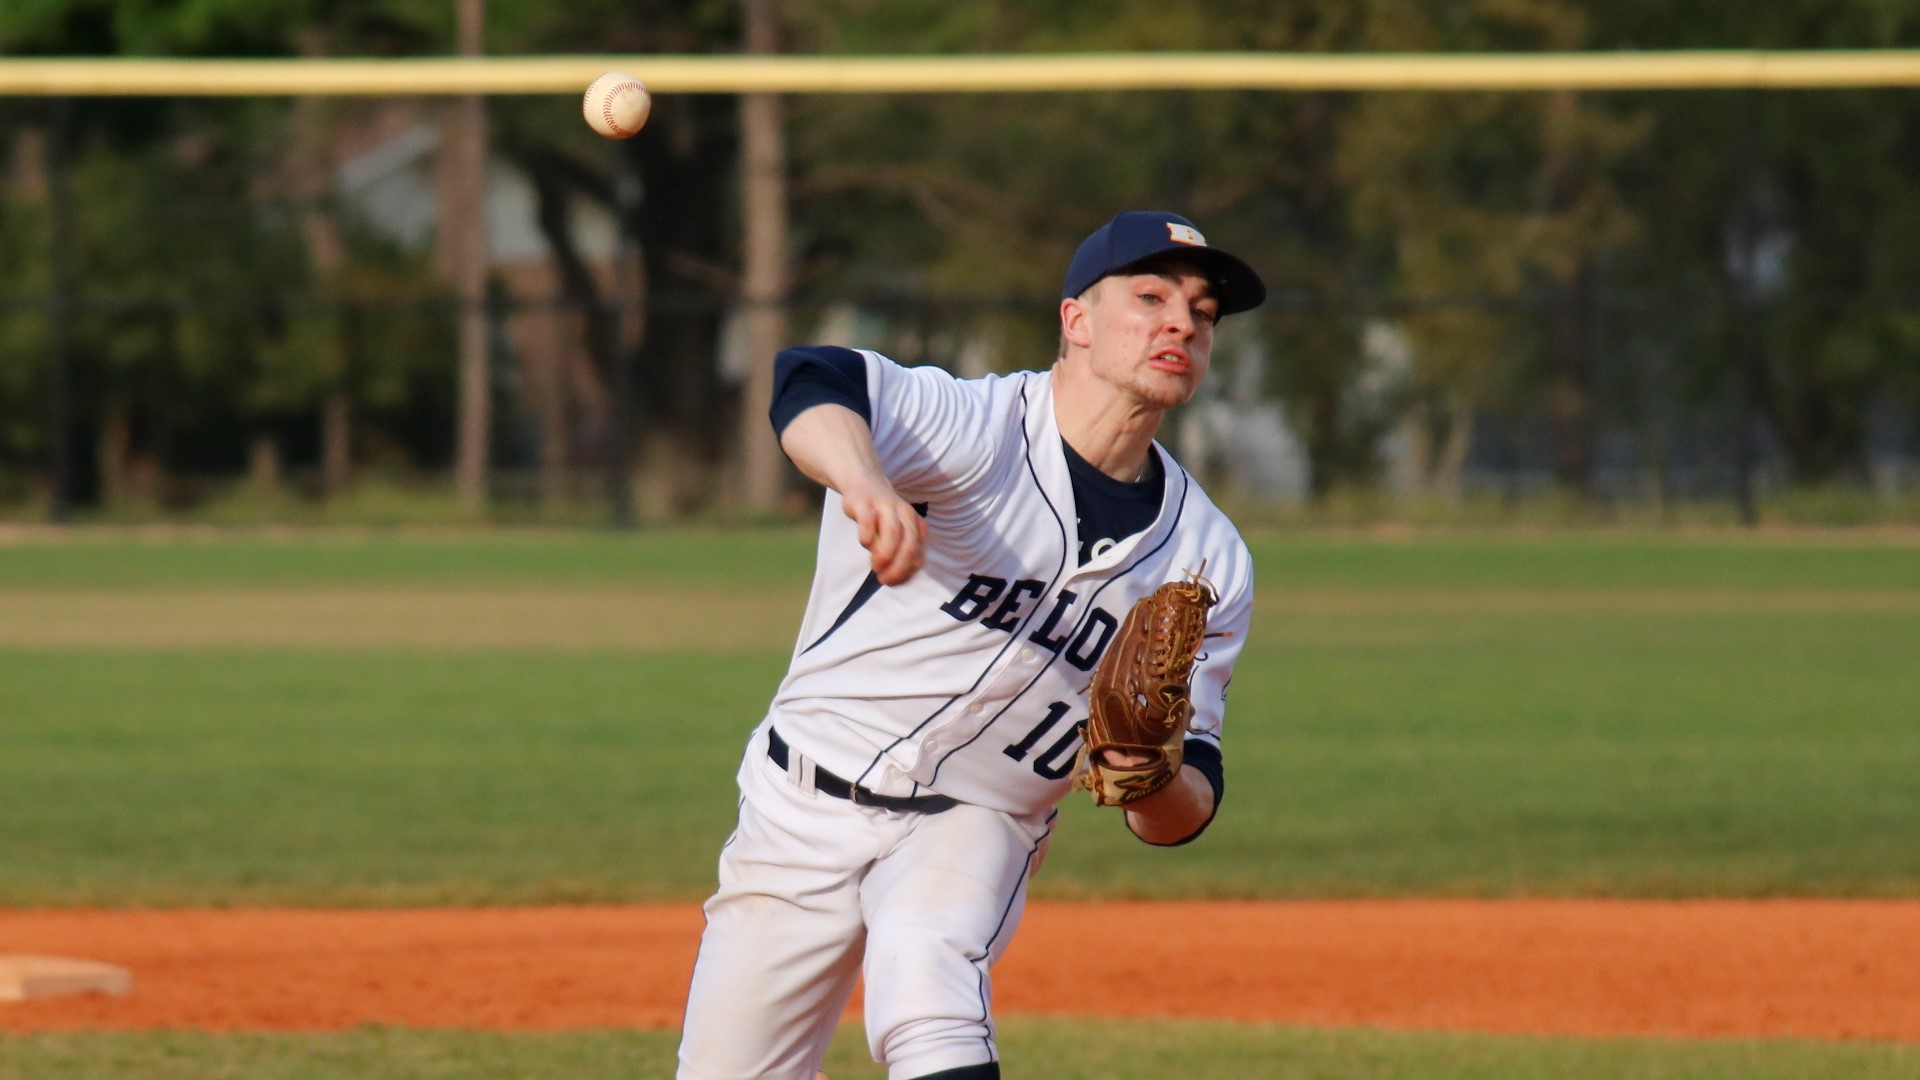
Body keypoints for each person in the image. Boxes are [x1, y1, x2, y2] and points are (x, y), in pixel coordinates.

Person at [676, 211, 1265, 1080]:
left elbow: (1185, 802)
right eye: (1149, 296)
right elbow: (811, 379)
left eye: (1202, 311)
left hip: (979, 818)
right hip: (801, 803)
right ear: (1076, 321)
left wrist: (1153, 772)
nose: (1181, 321)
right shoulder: (970, 427)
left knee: (925, 975)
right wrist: (864, 478)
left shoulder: (1208, 559)